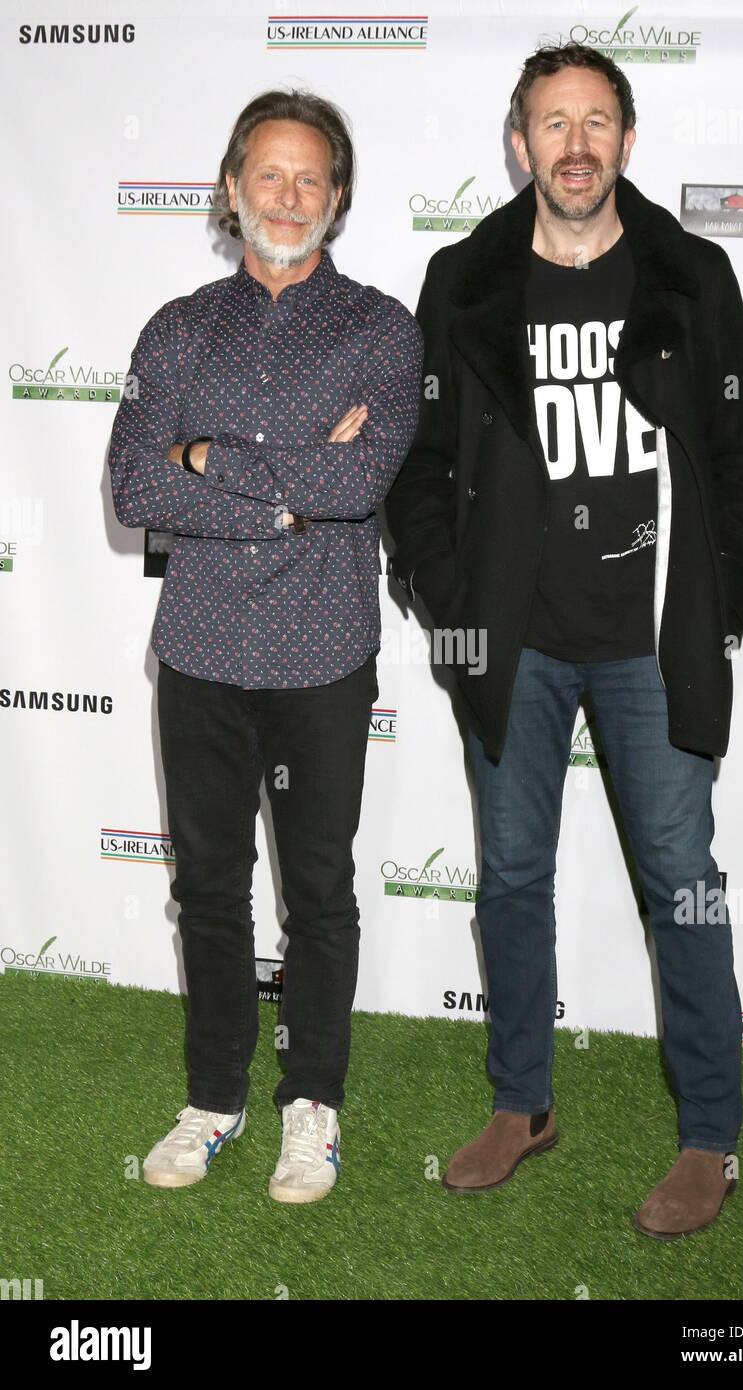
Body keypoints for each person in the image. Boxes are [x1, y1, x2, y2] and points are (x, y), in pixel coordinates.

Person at [385, 41, 743, 1237]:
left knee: (686, 886)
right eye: (551, 122)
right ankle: (522, 1103)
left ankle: (709, 1133)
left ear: (624, 139)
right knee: (508, 877)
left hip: (651, 645)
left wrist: (719, 601)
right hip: (512, 646)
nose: (573, 144)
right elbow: (418, 467)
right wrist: (451, 613)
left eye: (594, 121)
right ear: (519, 141)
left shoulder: (689, 275)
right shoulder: (462, 281)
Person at [108, 88, 422, 1204]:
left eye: (309, 179)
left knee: (320, 893)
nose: (286, 196)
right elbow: (130, 481)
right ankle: (213, 1098)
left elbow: (362, 480)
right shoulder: (177, 327)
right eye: (267, 175)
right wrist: (282, 492)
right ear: (232, 188)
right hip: (198, 650)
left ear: (334, 200)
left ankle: (312, 1105)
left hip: (323, 657)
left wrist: (211, 458)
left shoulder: (381, 328)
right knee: (207, 888)